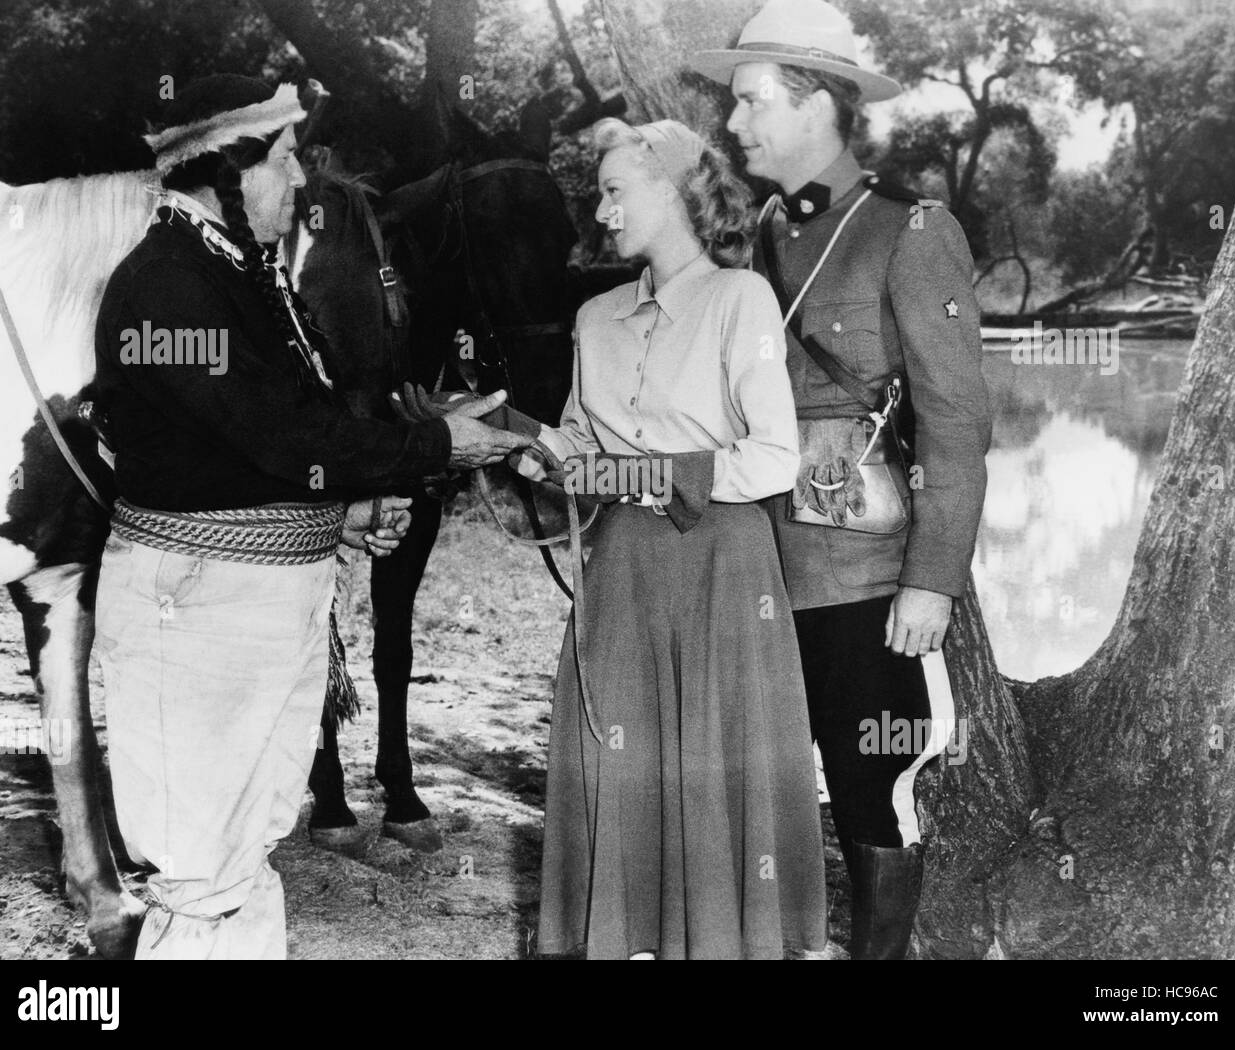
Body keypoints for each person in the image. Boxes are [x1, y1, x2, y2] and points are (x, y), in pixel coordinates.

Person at [91, 75, 528, 959]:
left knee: (241, 861)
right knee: (203, 875)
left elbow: (247, 451)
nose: (299, 182)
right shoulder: (167, 287)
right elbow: (278, 431)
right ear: (225, 167)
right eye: (283, 159)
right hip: (196, 616)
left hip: (251, 611)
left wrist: (344, 514)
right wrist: (437, 445)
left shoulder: (239, 276)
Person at [693, 0, 993, 959]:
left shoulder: (908, 231)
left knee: (873, 784)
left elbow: (956, 420)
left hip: (867, 577)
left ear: (817, 103)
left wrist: (932, 579)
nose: (734, 125)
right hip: (755, 567)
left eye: (750, 104)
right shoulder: (754, 238)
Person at [511, 117, 827, 959]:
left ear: (679, 190)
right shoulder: (594, 317)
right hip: (622, 572)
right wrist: (519, 443)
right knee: (621, 765)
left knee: (714, 775)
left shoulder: (741, 299)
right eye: (599, 196)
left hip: (725, 570)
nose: (602, 213)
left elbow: (773, 458)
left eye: (616, 191)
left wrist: (641, 476)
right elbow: (580, 446)